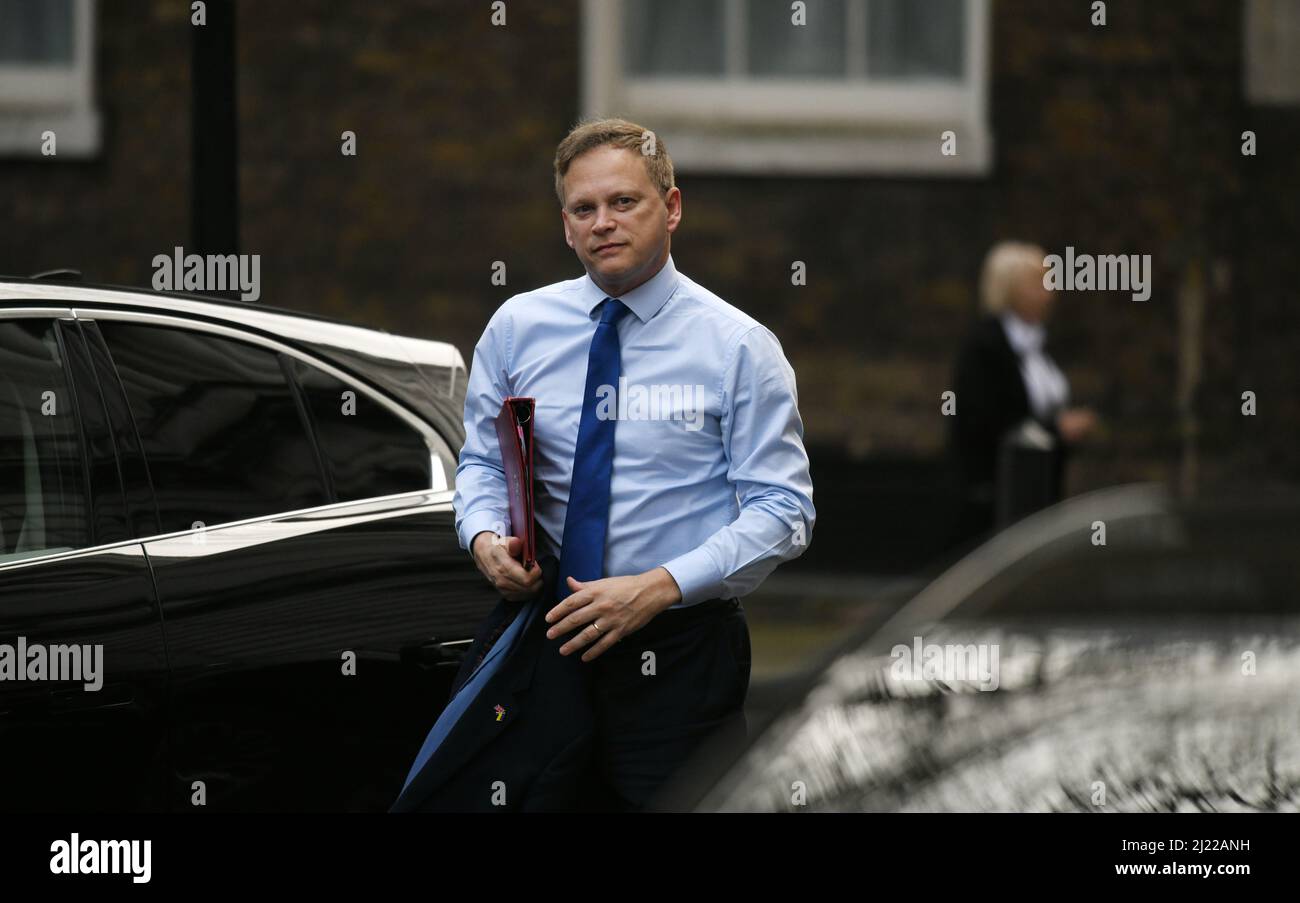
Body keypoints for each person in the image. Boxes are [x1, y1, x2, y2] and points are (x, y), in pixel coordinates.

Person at [402, 117, 815, 812]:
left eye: (625, 202)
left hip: (680, 653)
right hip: (544, 638)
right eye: (583, 209)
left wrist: (658, 586)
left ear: (672, 208)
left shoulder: (738, 346)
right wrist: (481, 536)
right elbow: (479, 461)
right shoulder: (517, 327)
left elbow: (784, 511)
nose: (603, 223)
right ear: (565, 226)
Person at [948, 241, 1097, 545]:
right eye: (1037, 282)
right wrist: (1056, 428)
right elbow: (984, 421)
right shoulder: (985, 346)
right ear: (1009, 288)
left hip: (1038, 486)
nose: (1048, 292)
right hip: (996, 494)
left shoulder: (1036, 345)